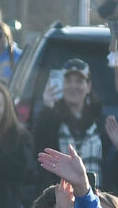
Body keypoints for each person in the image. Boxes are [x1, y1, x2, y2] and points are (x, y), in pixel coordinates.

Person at [32, 58, 105, 189]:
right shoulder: (52, 120)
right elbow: (38, 148)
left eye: (79, 81)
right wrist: (48, 107)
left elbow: (112, 169)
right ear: (61, 84)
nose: (73, 86)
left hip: (97, 199)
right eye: (68, 81)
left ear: (88, 86)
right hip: (62, 199)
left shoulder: (101, 123)